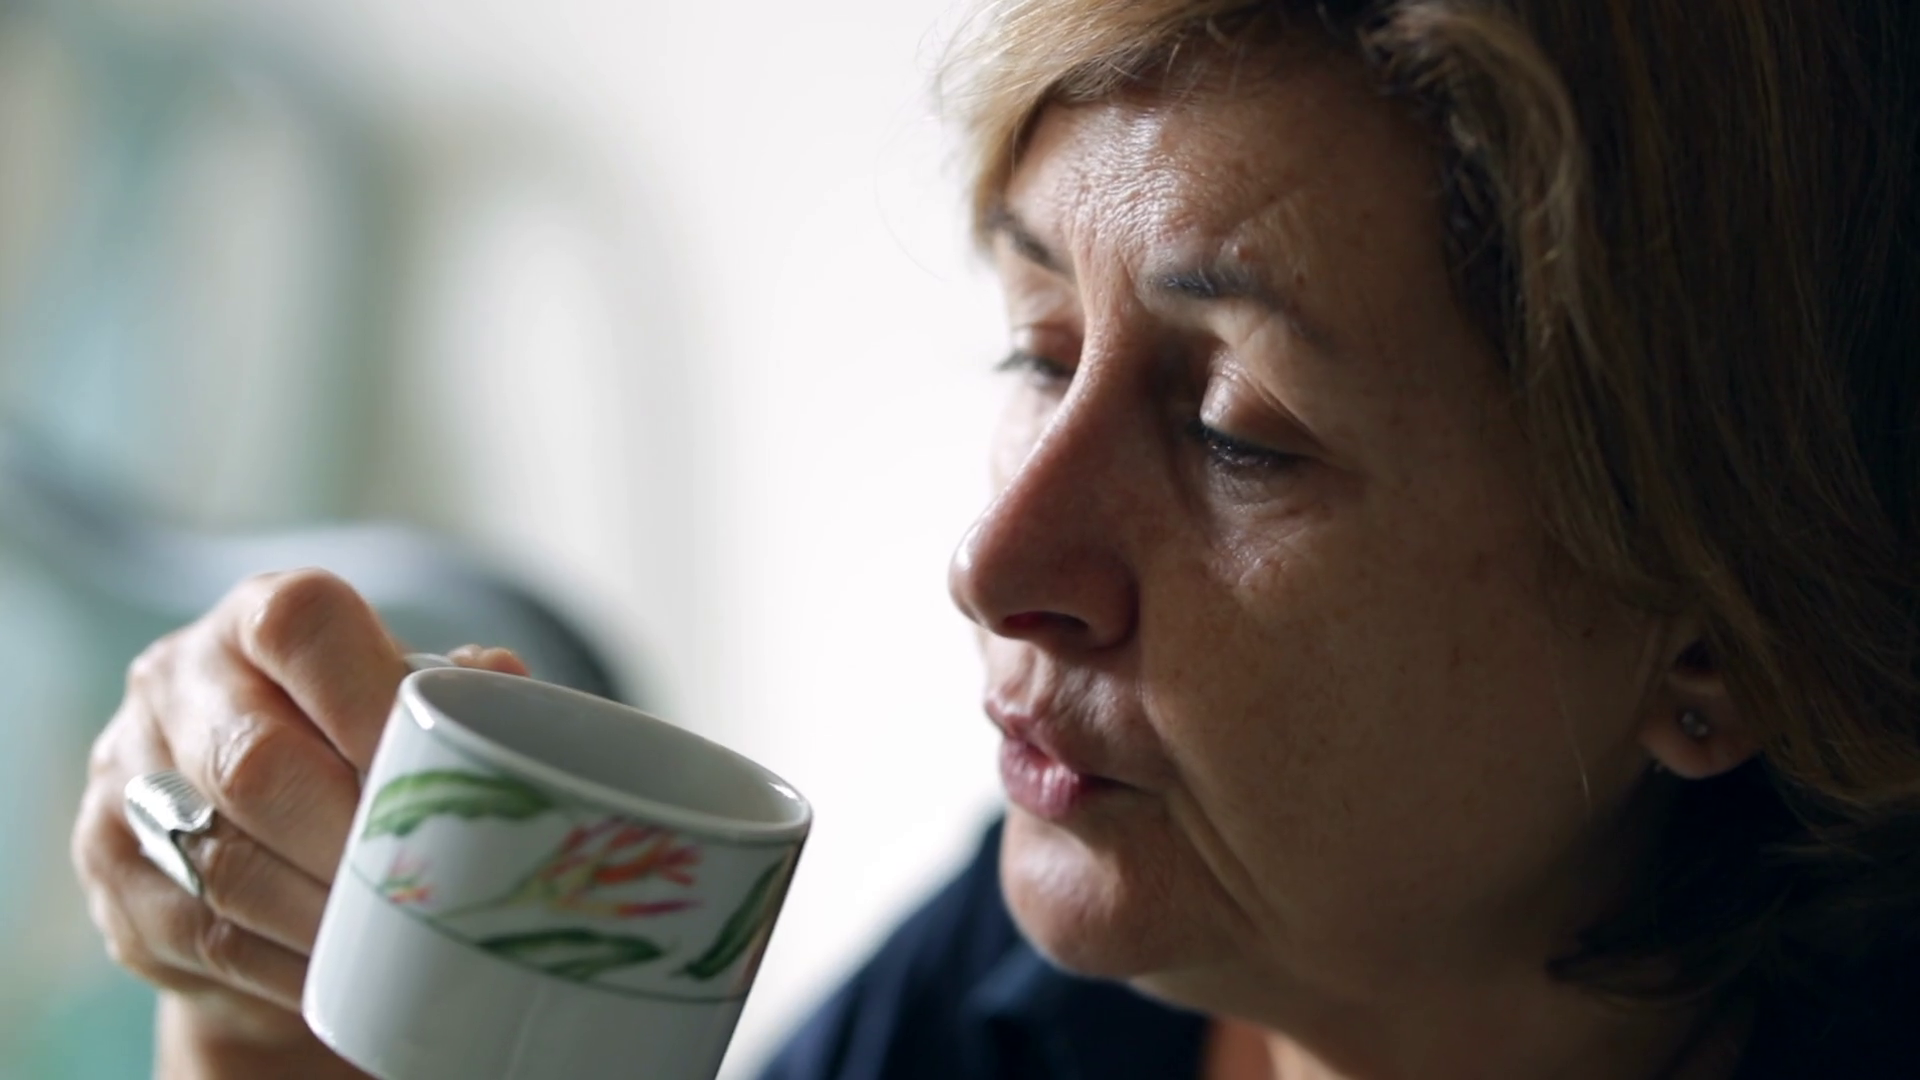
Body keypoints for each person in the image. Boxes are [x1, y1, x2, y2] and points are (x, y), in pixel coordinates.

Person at [70, 0, 1920, 1077]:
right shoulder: (1024, 1001)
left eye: (1238, 433)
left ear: (1719, 640)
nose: (996, 557)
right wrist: (262, 1030)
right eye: (1039, 347)